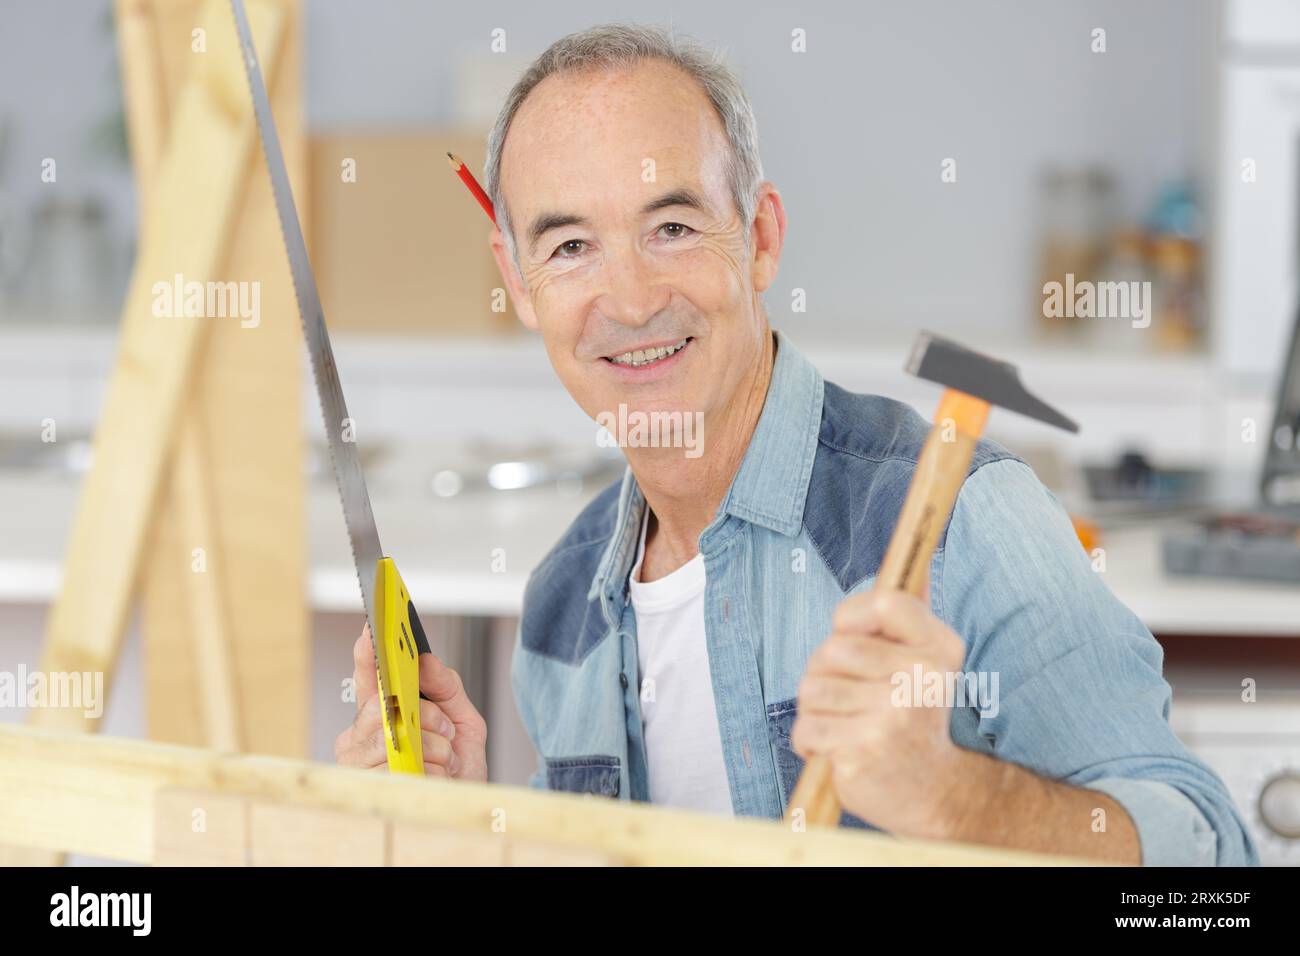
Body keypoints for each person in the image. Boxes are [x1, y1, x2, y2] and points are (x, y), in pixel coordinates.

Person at [335, 23, 1257, 865]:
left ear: (762, 237)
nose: (629, 299)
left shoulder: (961, 522)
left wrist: (953, 799)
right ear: (520, 281)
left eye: (673, 226)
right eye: (571, 246)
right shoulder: (562, 612)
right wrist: (457, 833)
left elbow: (1215, 883)